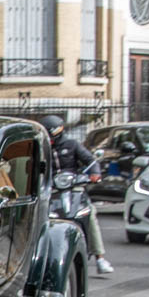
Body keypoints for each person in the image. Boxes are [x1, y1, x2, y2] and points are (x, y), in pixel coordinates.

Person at [38, 114, 114, 274]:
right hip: (51, 188)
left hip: (74, 186)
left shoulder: (72, 145)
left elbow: (90, 160)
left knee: (89, 212)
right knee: (41, 214)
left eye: (52, 137)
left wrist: (94, 174)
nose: (50, 141)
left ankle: (100, 257)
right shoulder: (42, 149)